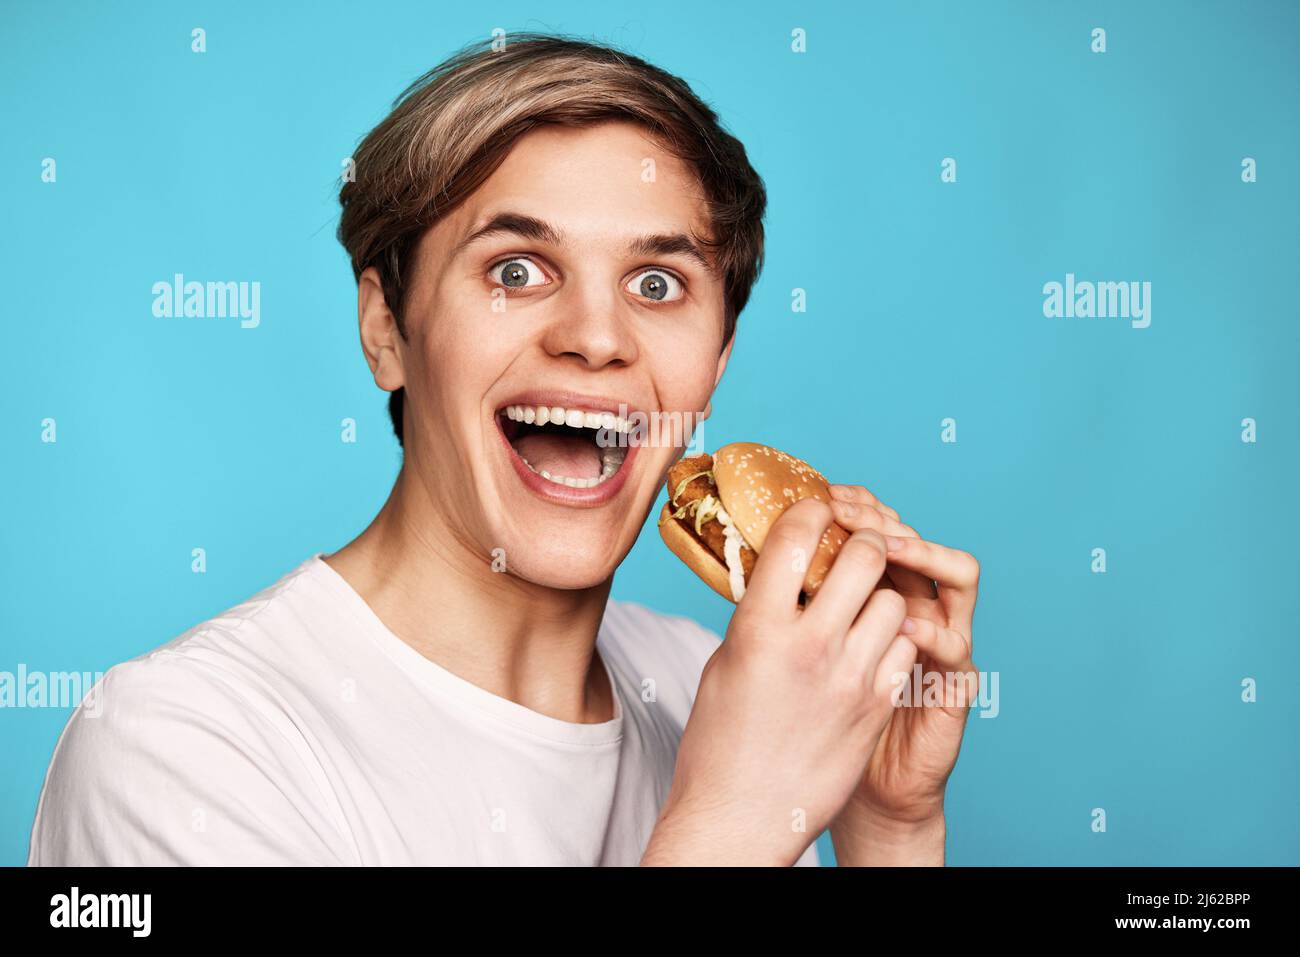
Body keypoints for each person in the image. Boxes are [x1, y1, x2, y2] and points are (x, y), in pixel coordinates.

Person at [28, 32, 980, 867]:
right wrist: (731, 819)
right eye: (515, 269)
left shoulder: (722, 684)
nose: (597, 336)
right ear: (387, 331)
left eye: (657, 282)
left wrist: (887, 825)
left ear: (718, 361)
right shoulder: (183, 747)